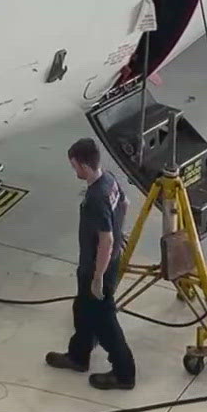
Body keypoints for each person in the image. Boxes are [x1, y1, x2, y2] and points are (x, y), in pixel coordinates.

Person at [44, 138, 136, 391]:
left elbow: (105, 240)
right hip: (105, 262)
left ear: (82, 164)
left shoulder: (95, 197)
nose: (73, 170)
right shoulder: (110, 180)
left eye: (74, 165)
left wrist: (97, 277)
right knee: (82, 310)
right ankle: (78, 356)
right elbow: (125, 205)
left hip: (97, 268)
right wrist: (120, 233)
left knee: (105, 322)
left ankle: (124, 373)